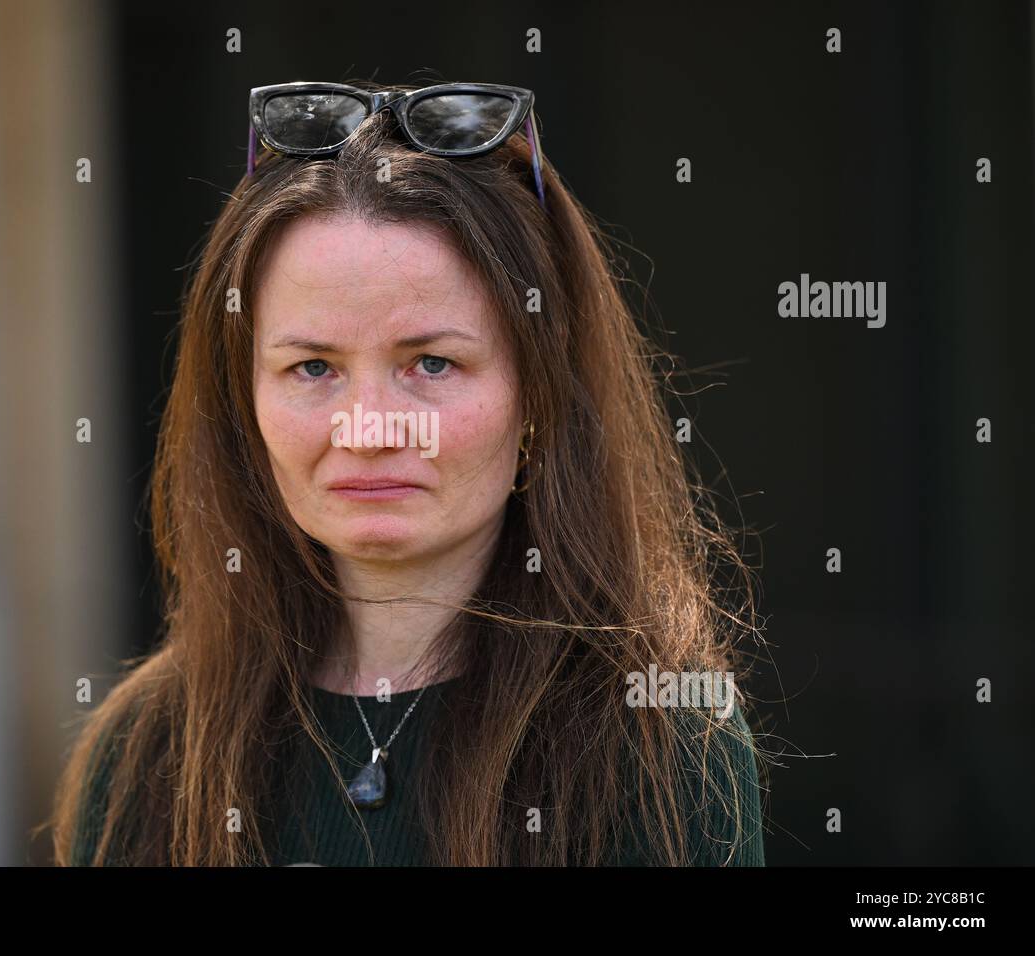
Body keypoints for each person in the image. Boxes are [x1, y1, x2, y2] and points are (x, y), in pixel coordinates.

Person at [49, 79, 767, 866]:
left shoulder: (658, 737)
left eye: (431, 362)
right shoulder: (145, 753)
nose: (369, 427)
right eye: (313, 367)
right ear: (242, 399)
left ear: (538, 390)